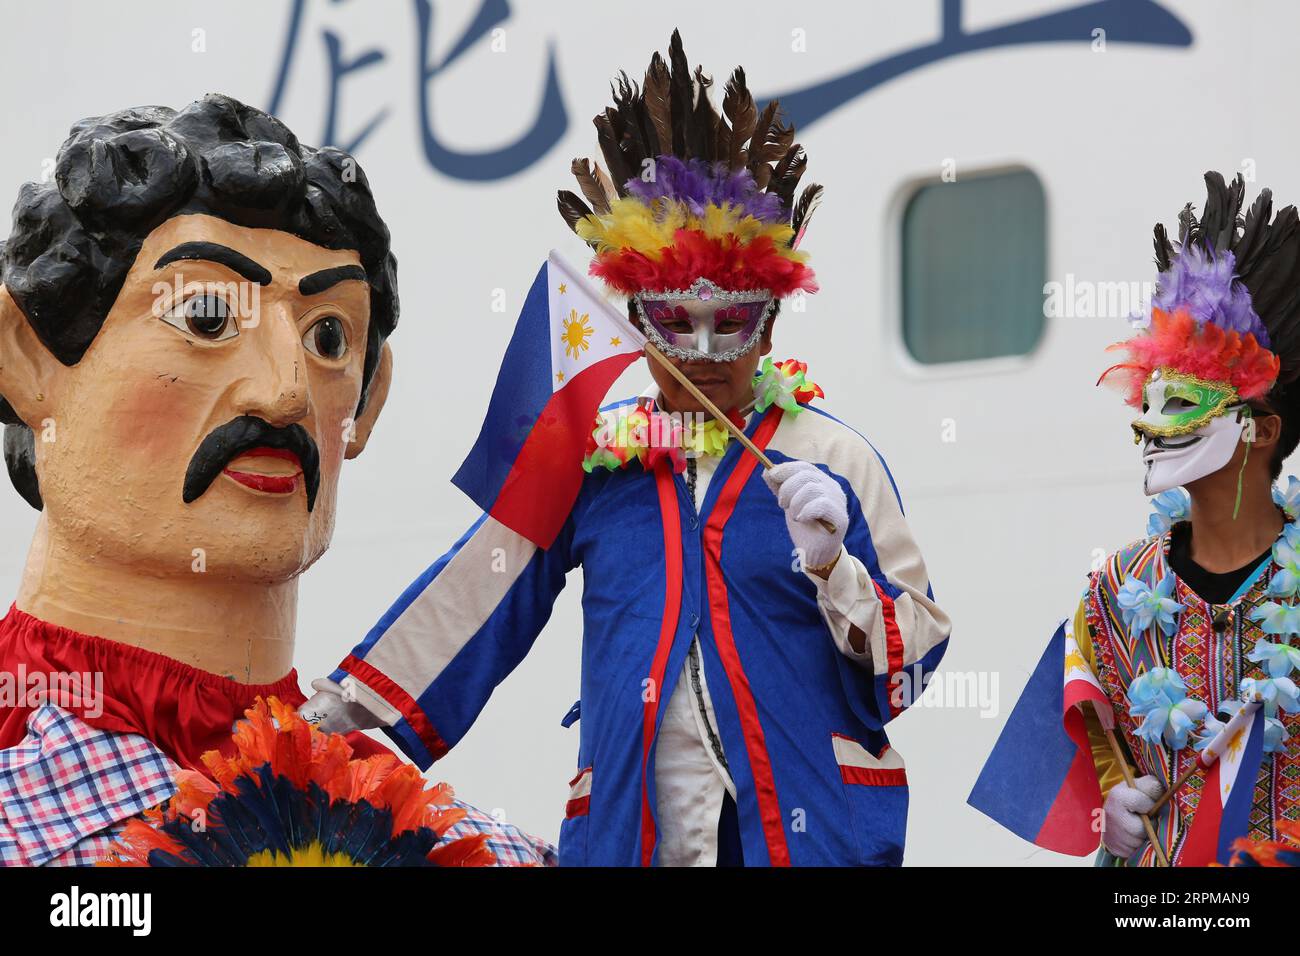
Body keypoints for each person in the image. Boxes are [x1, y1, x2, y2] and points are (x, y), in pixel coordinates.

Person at [304, 32, 951, 866]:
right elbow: (478, 594)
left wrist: (837, 573)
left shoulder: (834, 459)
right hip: (634, 837)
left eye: (735, 323)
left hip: (809, 831)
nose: (707, 356)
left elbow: (913, 668)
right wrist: (333, 717)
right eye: (677, 325)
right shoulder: (594, 464)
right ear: (635, 323)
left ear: (774, 316)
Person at [0, 94, 551, 866]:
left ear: (369, 398)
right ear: (24, 355)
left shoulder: (471, 852)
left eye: (329, 336)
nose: (286, 390)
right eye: (204, 317)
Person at [971, 172, 1300, 866]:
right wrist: (1109, 808)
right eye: (1150, 395)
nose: (1150, 422)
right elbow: (1081, 754)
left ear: (1261, 432)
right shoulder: (1114, 589)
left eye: (1183, 402)